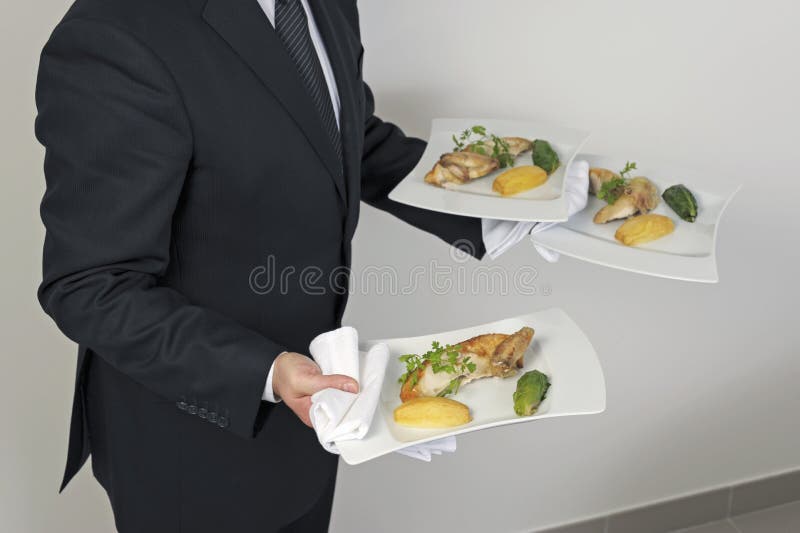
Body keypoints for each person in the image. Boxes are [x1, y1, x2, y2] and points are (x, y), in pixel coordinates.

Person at [35, 0, 525, 531]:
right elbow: (92, 285)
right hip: (192, 443)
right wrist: (266, 373)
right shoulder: (113, 34)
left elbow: (345, 137)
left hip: (315, 413)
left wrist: (513, 212)